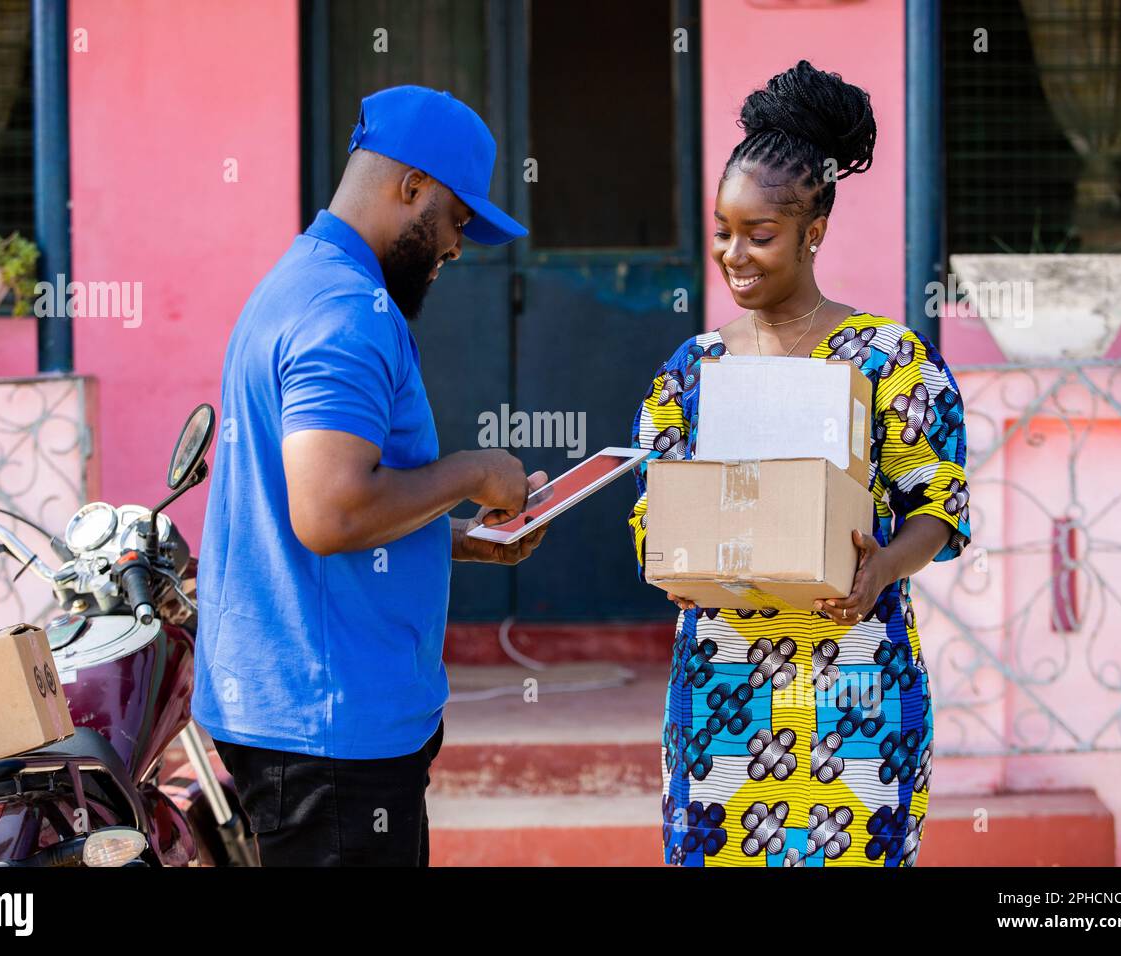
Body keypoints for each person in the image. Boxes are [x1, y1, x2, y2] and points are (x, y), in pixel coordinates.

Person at [191, 85, 547, 866]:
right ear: (411, 185)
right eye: (457, 219)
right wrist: (472, 471)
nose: (456, 247)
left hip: (307, 714)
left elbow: (322, 503)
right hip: (330, 728)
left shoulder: (303, 279)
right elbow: (330, 513)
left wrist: (451, 539)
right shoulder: (344, 311)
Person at [627, 61, 971, 867]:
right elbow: (654, 501)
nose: (733, 254)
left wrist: (881, 567)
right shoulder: (691, 369)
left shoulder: (892, 359)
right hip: (722, 691)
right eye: (722, 230)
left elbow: (940, 507)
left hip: (857, 687)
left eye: (759, 234)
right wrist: (665, 557)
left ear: (812, 233)